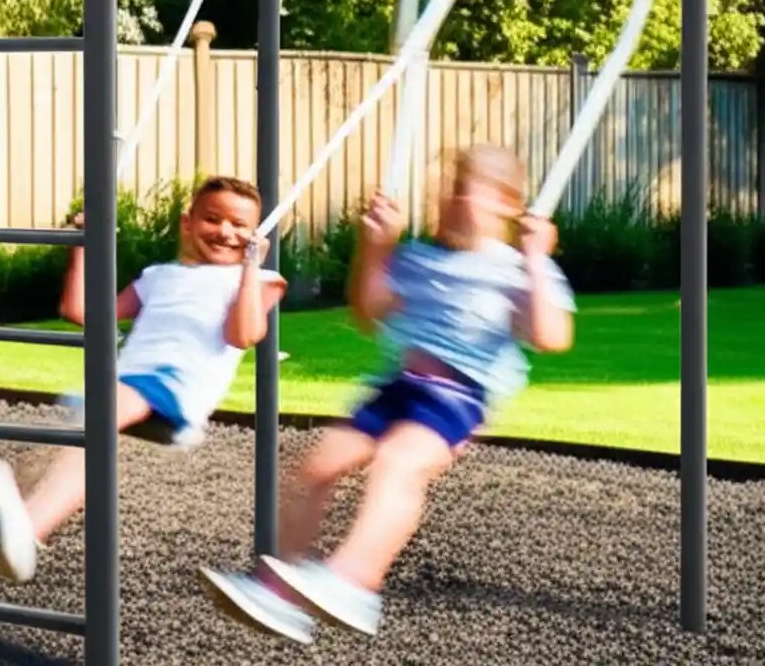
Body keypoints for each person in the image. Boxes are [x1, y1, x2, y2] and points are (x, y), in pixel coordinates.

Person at [200, 144, 577, 644]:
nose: (455, 201)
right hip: (398, 387)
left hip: (458, 396)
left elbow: (551, 337)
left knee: (398, 463)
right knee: (314, 466)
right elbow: (368, 309)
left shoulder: (516, 267)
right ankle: (276, 590)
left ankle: (356, 580)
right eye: (451, 190)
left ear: (508, 203)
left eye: (471, 192)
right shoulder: (419, 256)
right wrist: (376, 247)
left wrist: (533, 259)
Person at [0, 176, 288, 583]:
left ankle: (27, 529)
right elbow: (84, 312)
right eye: (213, 219)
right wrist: (84, 245)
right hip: (127, 382)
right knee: (76, 437)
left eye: (239, 225)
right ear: (187, 224)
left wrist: (251, 267)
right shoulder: (158, 277)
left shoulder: (260, 281)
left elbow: (242, 334)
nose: (226, 231)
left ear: (255, 234)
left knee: (96, 418)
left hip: (175, 392)